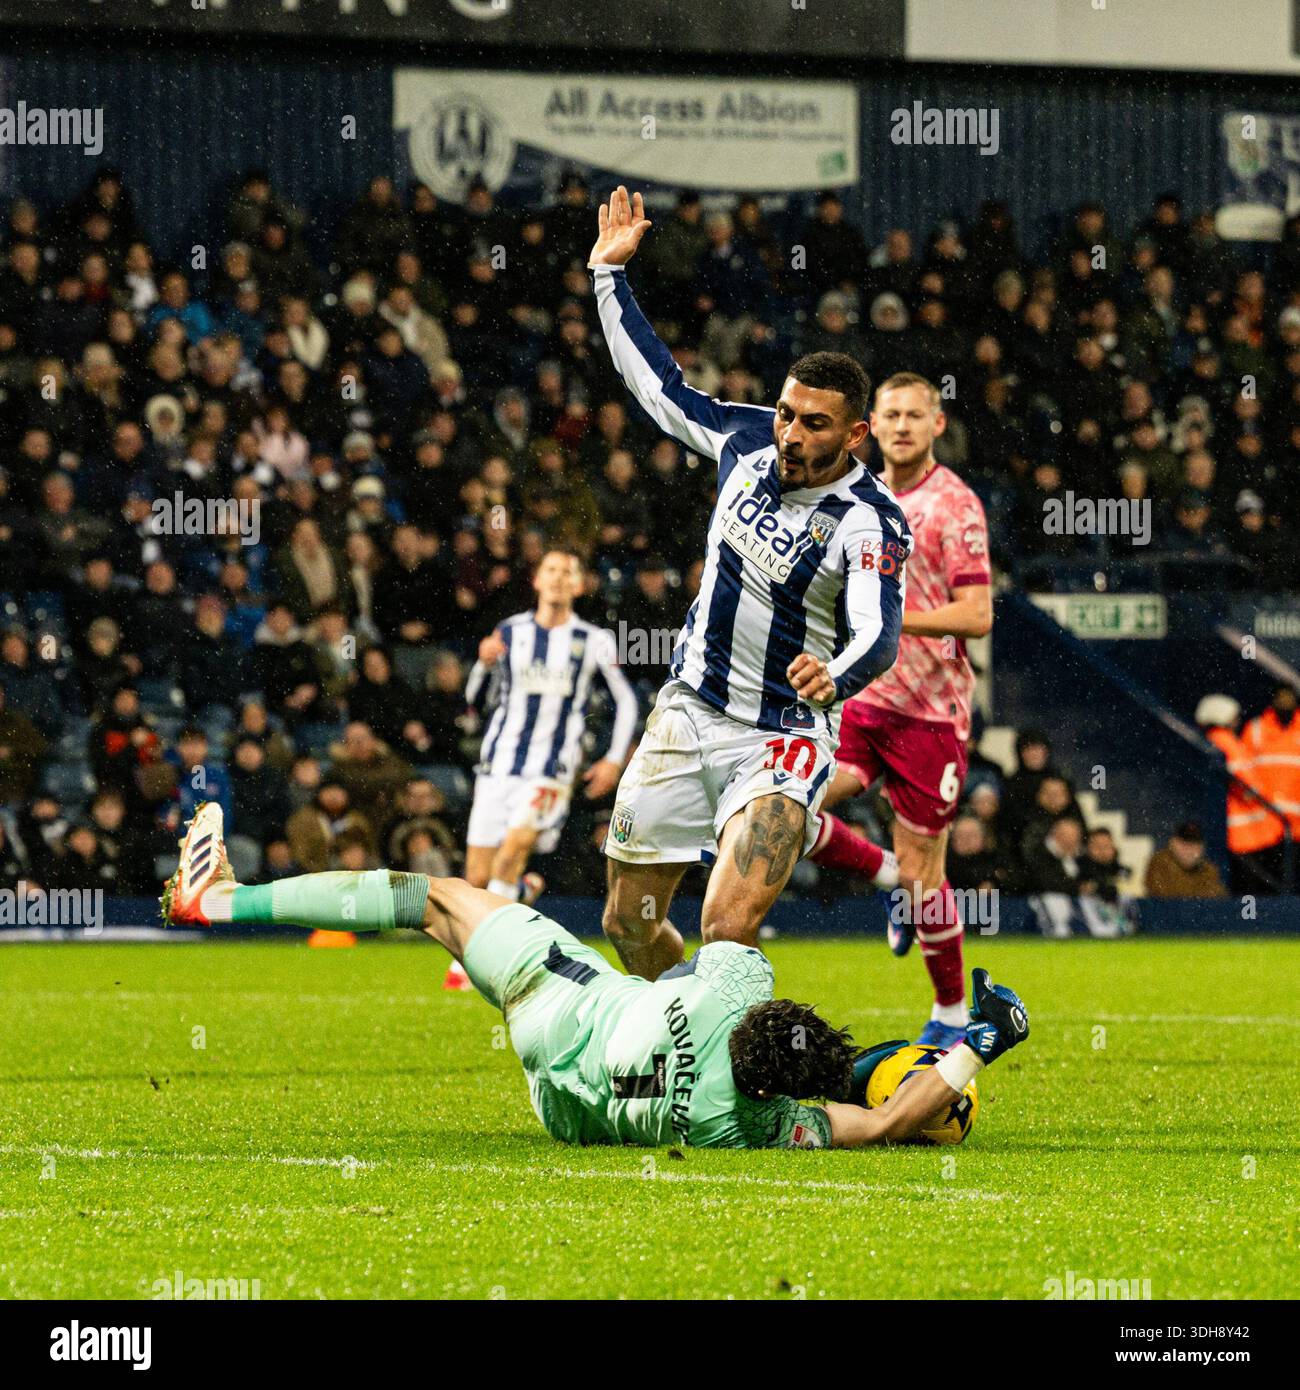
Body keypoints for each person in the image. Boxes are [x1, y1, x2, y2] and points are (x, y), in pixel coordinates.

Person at [163, 802, 1031, 1149]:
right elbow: (881, 1126)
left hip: (565, 997)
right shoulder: (748, 1128)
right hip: (560, 1107)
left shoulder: (733, 989)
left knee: (433, 900)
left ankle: (225, 902)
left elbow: (723, 933)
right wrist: (981, 1044)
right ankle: (222, 899)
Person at [588, 187, 911, 982]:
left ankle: (742, 1079)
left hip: (783, 735)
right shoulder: (744, 444)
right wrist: (607, 276)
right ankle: (679, 1035)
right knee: (627, 927)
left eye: (814, 424)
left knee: (725, 930)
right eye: (787, 415)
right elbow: (660, 391)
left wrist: (835, 675)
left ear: (855, 434)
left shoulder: (871, 520)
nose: (792, 435)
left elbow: (880, 631)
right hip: (688, 711)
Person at [813, 373, 992, 1047]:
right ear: (871, 425)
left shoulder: (955, 506)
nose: (903, 425)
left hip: (930, 714)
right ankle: (886, 875)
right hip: (861, 701)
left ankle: (950, 1013)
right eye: (890, 414)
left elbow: (977, 614)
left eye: (916, 415)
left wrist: (893, 621)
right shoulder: (854, 493)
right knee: (787, 799)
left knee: (927, 876)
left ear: (937, 425)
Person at [448, 548, 637, 990]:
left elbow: (626, 700)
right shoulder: (510, 632)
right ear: (536, 580)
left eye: (567, 572)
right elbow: (473, 698)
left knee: (512, 851)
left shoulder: (593, 640)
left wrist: (612, 759)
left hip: (551, 769)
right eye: (550, 570)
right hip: (498, 765)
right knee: (477, 876)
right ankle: (520, 895)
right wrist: (482, 661)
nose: (557, 578)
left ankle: (475, 965)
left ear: (579, 585)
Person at [1145, 821, 1228, 898]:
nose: (1189, 850)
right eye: (1184, 844)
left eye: (1194, 845)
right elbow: (1166, 896)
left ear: (1202, 847)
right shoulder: (1159, 863)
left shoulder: (1209, 870)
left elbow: (1217, 898)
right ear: (1172, 843)